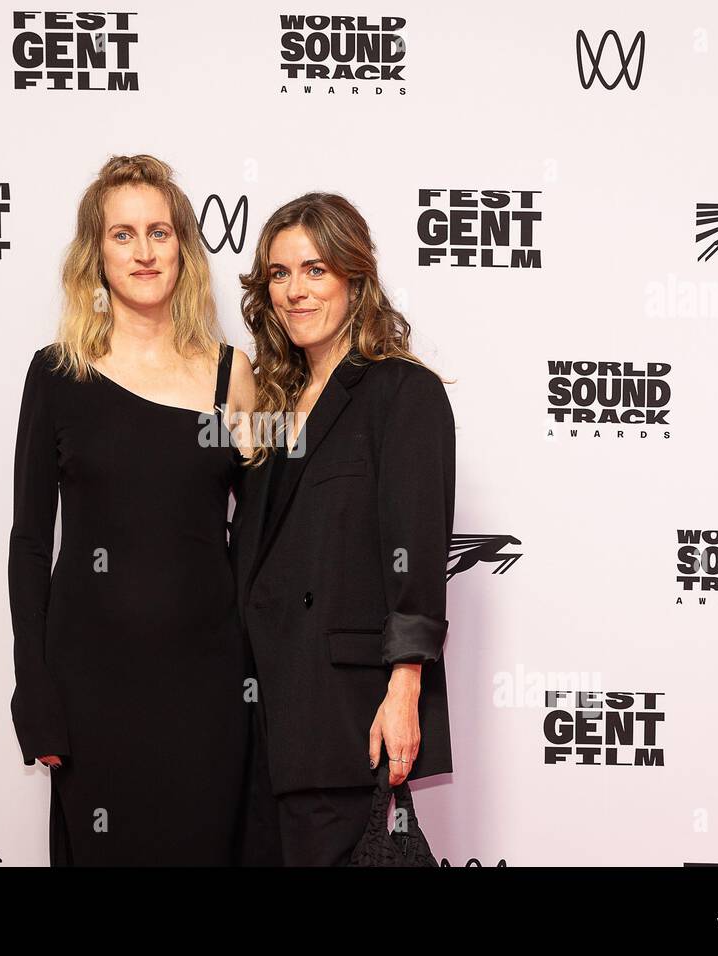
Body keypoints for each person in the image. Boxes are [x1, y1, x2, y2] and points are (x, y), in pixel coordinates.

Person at [7, 154, 259, 865]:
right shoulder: (58, 374)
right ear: (96, 254)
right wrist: (36, 688)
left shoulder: (228, 373)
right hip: (92, 691)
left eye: (159, 232)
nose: (144, 251)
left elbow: (270, 529)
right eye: (123, 235)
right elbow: (30, 543)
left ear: (183, 246)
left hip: (210, 688)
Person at [232, 191, 456, 866]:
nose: (295, 291)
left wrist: (404, 690)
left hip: (346, 718)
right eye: (279, 274)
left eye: (315, 270)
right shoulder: (269, 409)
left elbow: (413, 556)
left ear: (354, 278)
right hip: (261, 721)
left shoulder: (401, 393)